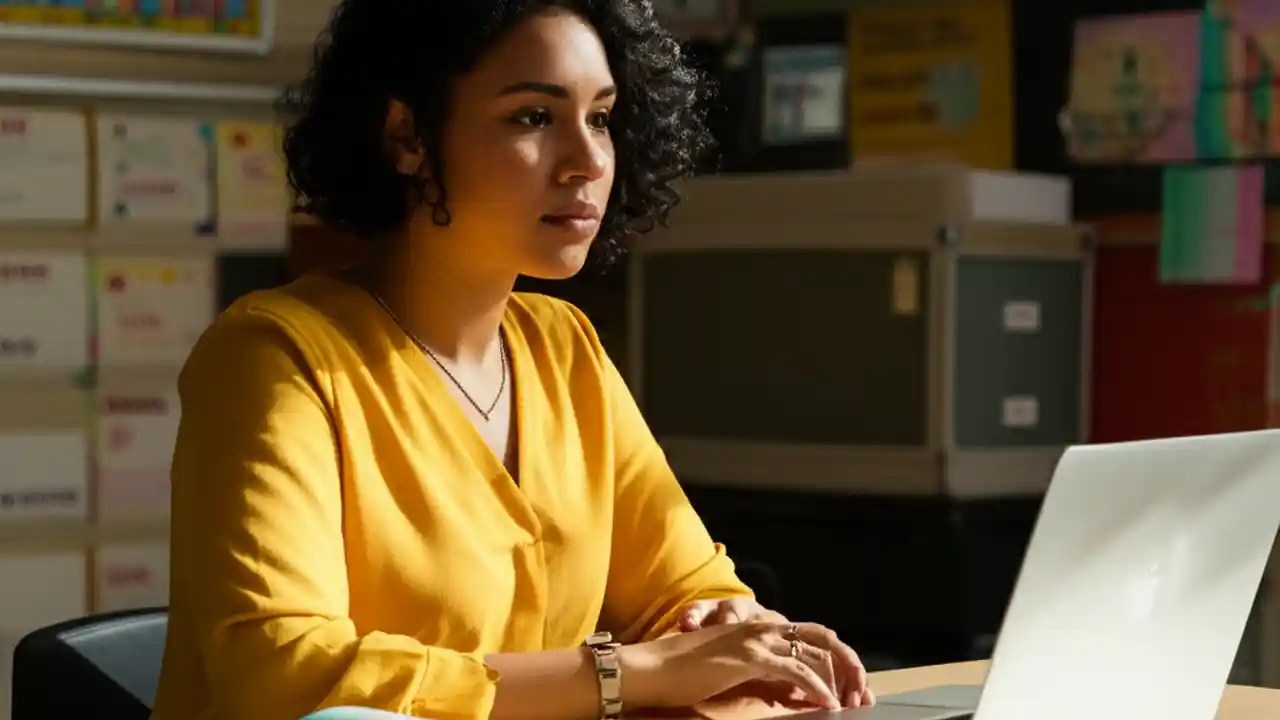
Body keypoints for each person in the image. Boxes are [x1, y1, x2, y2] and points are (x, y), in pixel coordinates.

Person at [150, 2, 875, 719]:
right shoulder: (273, 361)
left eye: (600, 117)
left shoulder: (565, 348)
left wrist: (739, 632)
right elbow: (280, 674)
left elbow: (683, 592)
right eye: (534, 117)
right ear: (409, 136)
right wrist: (629, 674)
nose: (588, 160)